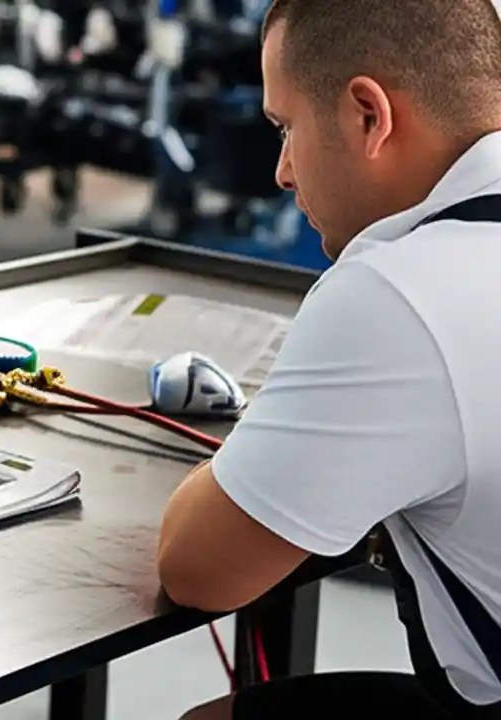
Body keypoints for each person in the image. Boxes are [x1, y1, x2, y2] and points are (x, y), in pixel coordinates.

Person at [154, 0, 501, 717]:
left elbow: (199, 569)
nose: (282, 170)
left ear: (368, 116)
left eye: (286, 128)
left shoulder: (399, 293)